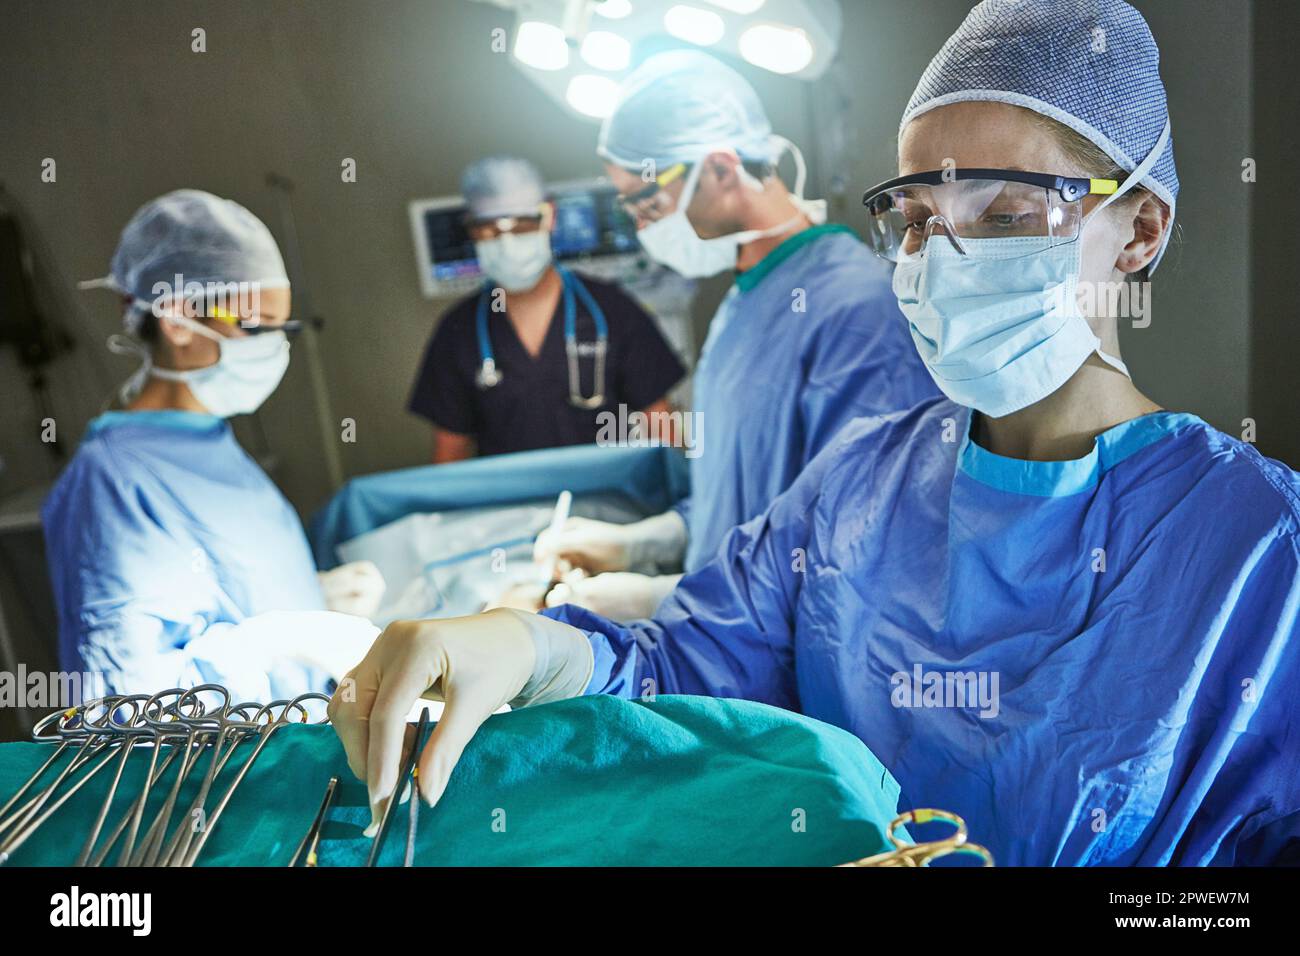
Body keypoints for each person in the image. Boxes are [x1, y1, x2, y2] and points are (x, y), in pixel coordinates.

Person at [330, 1, 1300, 866]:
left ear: (1137, 230)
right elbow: (681, 662)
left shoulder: (1261, 550)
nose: (938, 256)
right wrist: (530, 644)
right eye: (916, 217)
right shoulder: (859, 482)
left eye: (1003, 213)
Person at [534, 50, 939, 621]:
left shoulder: (857, 314)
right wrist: (646, 542)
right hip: (725, 643)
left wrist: (668, 601)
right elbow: (745, 493)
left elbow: (858, 549)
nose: (643, 227)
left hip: (788, 677)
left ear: (722, 169)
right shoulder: (744, 299)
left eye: (647, 202)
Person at [46, 189, 384, 700]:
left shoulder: (208, 437)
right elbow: (120, 704)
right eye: (256, 326)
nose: (276, 347)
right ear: (178, 319)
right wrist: (279, 639)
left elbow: (223, 592)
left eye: (282, 328)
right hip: (217, 773)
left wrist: (315, 600)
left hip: (292, 738)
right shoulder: (111, 482)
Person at [407, 156, 685, 464]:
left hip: (609, 503)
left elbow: (663, 430)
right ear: (471, 229)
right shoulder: (458, 332)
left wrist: (680, 502)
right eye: (490, 229)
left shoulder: (612, 311)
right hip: (510, 507)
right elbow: (450, 455)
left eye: (522, 223)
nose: (508, 242)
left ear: (549, 216)